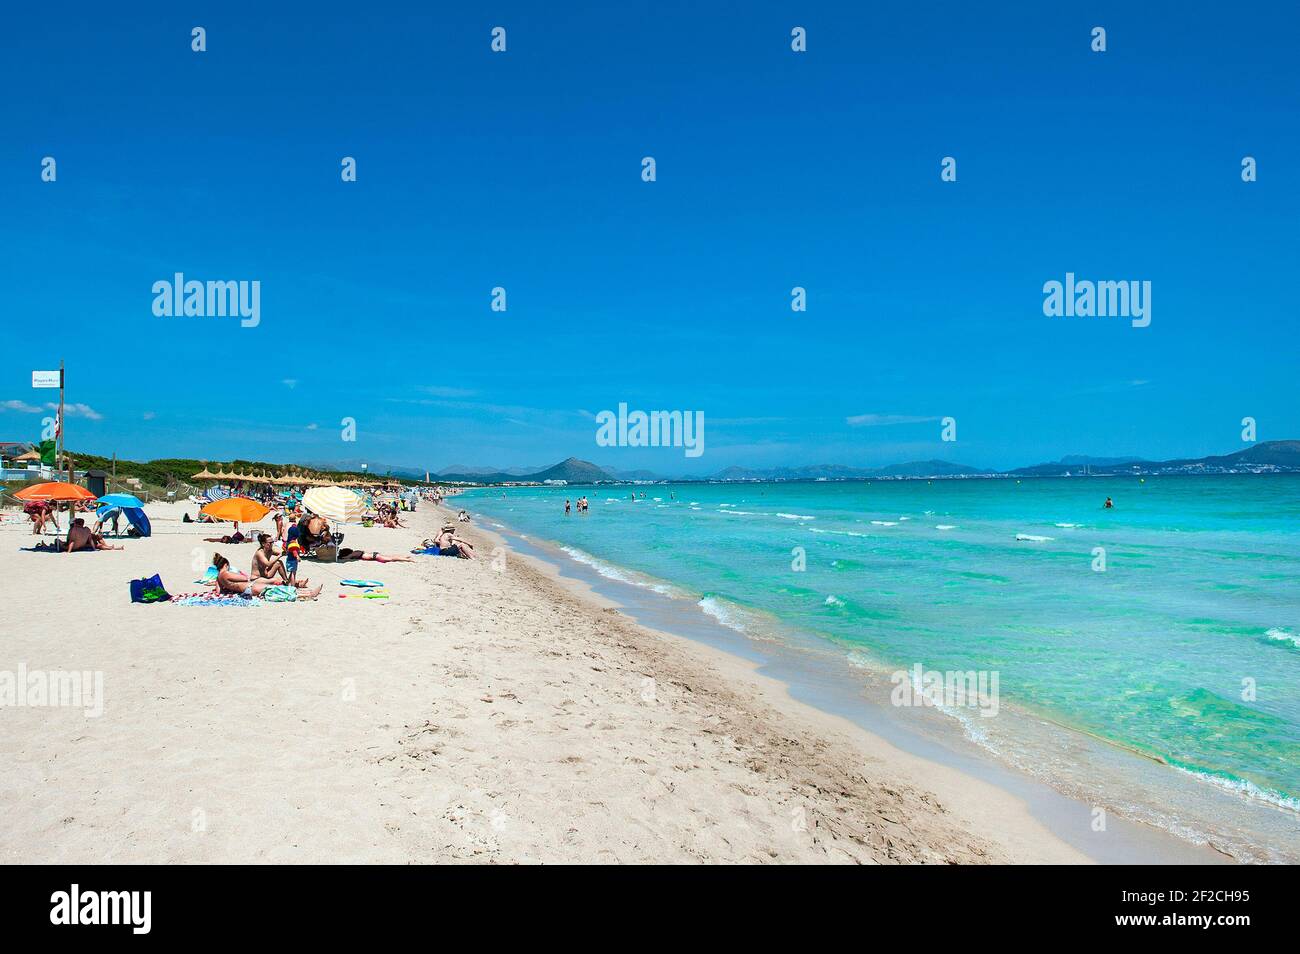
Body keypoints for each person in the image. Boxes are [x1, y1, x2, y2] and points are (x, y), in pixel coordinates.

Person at [214, 553, 321, 599]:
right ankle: (308, 594)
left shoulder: (218, 577)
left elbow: (218, 592)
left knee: (276, 587)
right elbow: (244, 578)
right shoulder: (226, 573)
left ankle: (307, 592)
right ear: (225, 565)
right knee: (277, 590)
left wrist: (228, 586)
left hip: (246, 589)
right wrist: (237, 574)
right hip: (248, 587)